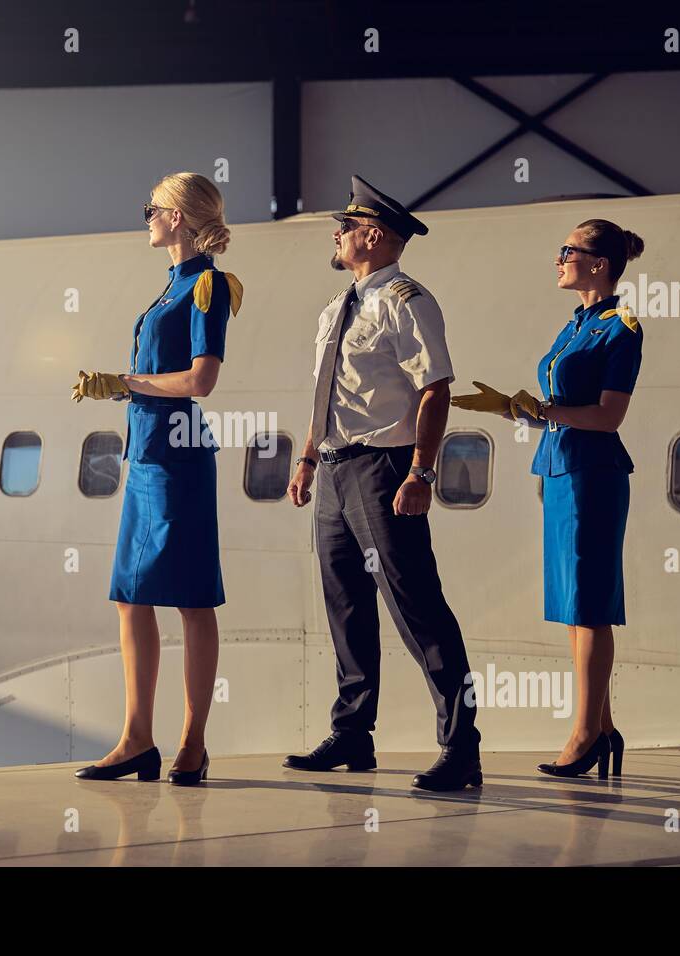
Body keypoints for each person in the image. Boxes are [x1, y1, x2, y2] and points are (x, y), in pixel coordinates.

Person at [285, 174, 482, 792]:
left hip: (384, 470)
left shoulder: (405, 299)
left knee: (416, 605)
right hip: (337, 470)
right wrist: (310, 457)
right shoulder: (335, 308)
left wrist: (423, 469)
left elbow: (435, 388)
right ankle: (352, 733)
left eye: (345, 228)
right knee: (345, 605)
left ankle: (461, 745)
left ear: (372, 235)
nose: (337, 237)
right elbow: (330, 395)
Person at [451, 218, 645, 779]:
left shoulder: (621, 327)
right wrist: (515, 409)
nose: (558, 259)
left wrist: (543, 411)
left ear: (600, 264)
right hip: (560, 469)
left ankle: (584, 733)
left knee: (590, 607)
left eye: (568, 250)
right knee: (573, 606)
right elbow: (562, 406)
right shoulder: (577, 324)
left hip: (593, 473)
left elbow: (609, 417)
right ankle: (602, 727)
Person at [69, 172, 242, 787]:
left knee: (192, 600)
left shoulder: (206, 287)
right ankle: (137, 739)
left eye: (154, 208)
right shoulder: (171, 287)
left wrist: (126, 383)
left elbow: (201, 381)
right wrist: (117, 383)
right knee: (130, 596)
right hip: (147, 456)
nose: (146, 216)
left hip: (178, 459)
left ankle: (191, 742)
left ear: (179, 218)